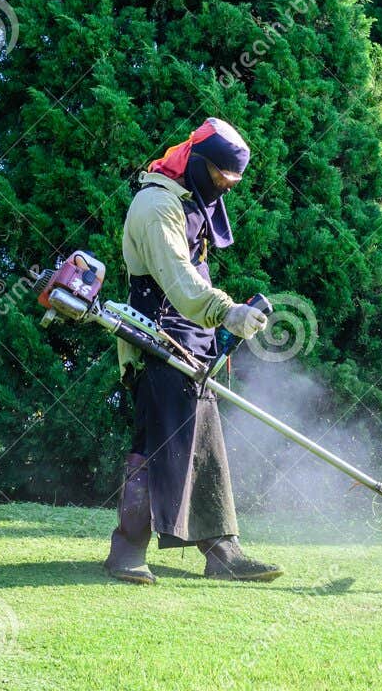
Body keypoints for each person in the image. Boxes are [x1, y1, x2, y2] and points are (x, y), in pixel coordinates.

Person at [105, 117, 283, 585]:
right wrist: (227, 311)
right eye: (222, 178)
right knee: (154, 443)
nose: (224, 189)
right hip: (156, 340)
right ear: (201, 164)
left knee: (203, 441)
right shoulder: (155, 206)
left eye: (233, 183)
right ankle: (125, 552)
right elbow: (181, 283)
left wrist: (220, 323)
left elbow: (194, 279)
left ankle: (223, 552)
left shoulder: (190, 203)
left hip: (193, 344)